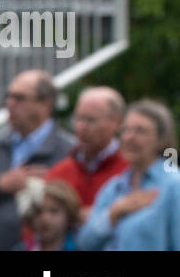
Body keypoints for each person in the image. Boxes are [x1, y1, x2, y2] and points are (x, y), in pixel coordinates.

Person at [0, 69, 75, 251]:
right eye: (8, 97)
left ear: (46, 104)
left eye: (19, 98)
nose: (9, 104)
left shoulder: (69, 152)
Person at [79, 100, 180, 251]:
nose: (129, 137)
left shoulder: (177, 185)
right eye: (126, 130)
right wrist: (113, 213)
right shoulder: (115, 186)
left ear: (161, 139)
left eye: (140, 131)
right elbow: (85, 243)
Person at [44, 87, 127, 222]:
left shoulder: (133, 171)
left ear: (116, 122)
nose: (81, 127)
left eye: (90, 120)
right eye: (78, 118)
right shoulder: (59, 173)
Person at [14, 179, 83, 252]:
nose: (45, 219)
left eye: (54, 211)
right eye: (38, 212)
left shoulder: (82, 247)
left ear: (69, 215)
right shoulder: (21, 249)